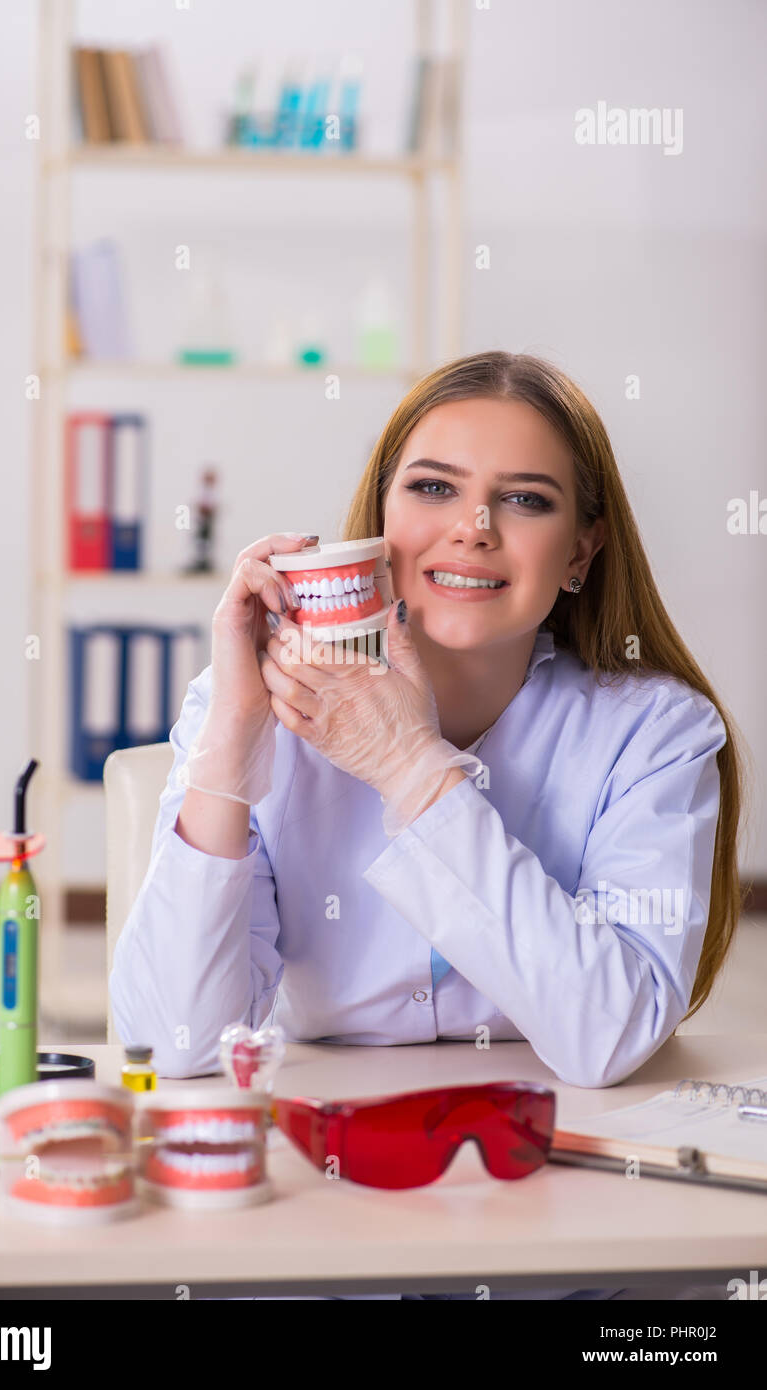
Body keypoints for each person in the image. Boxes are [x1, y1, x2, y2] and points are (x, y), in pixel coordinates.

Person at [110, 351, 750, 1300]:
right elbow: (174, 1045)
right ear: (381, 526)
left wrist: (408, 766)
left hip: (559, 1203)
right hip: (312, 1199)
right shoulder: (250, 706)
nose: (473, 528)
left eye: (526, 500)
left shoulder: (654, 732)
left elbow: (603, 1037)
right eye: (434, 487)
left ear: (581, 552)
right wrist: (231, 749)